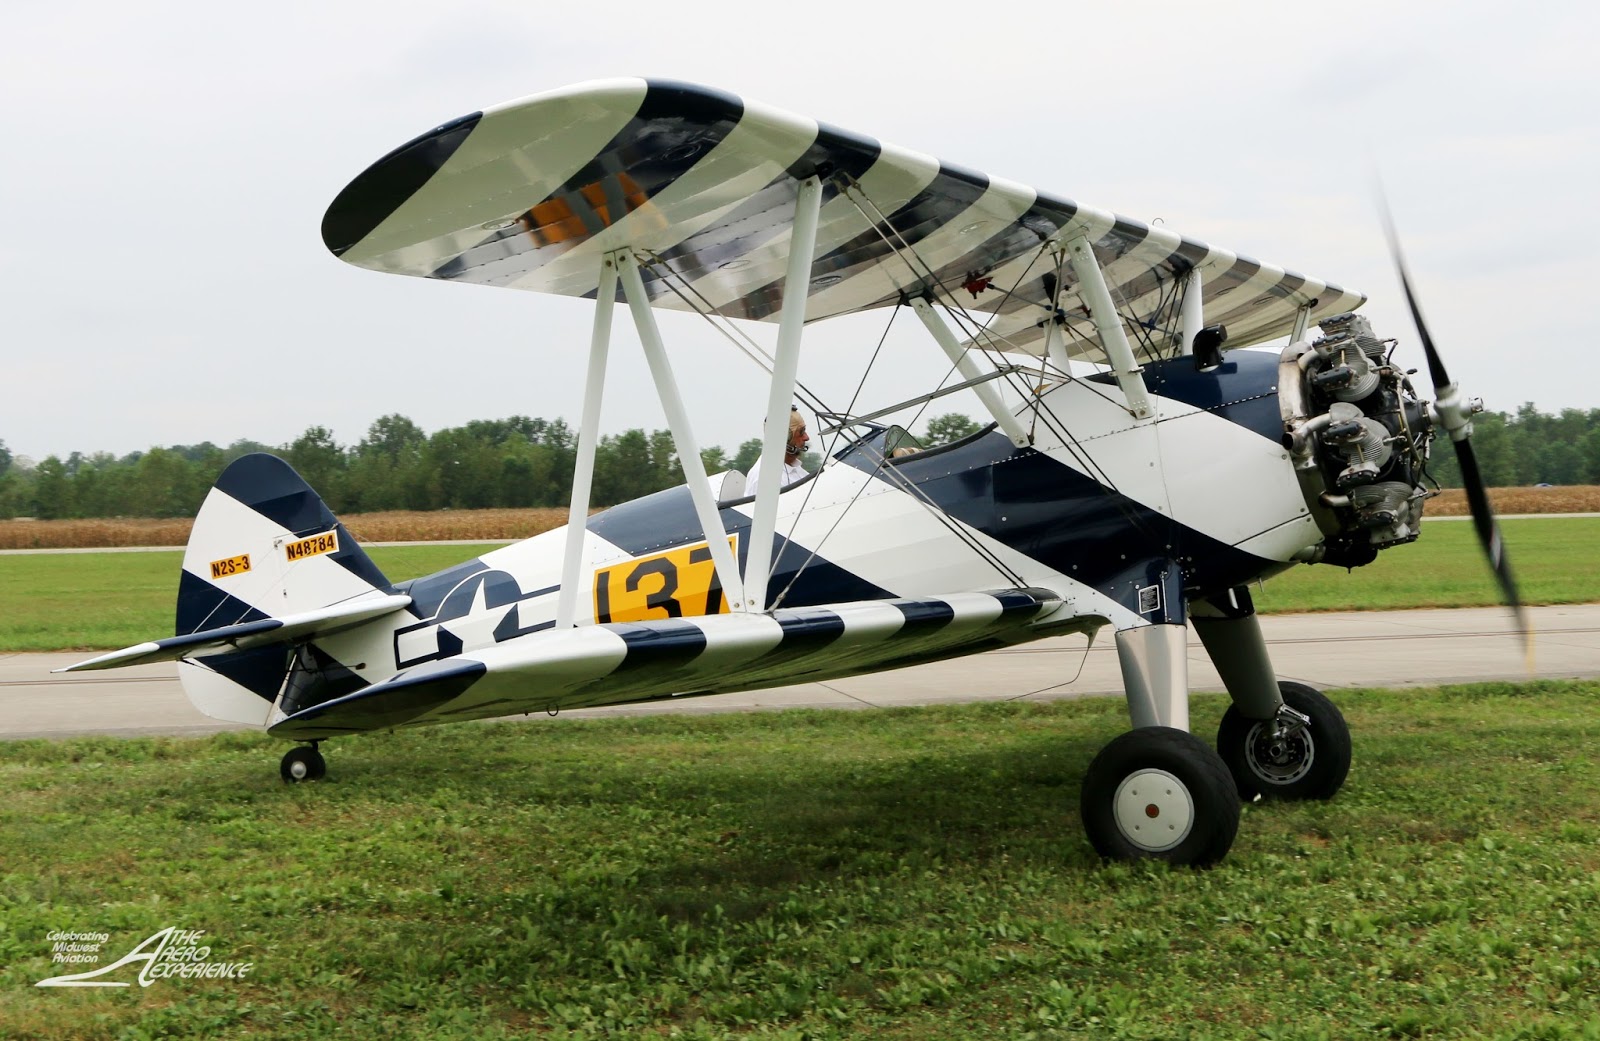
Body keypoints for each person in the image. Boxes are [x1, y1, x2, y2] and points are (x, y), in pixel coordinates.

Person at [745, 406, 810, 490]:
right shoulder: (764, 478)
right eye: (801, 432)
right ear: (785, 437)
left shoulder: (799, 471)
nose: (806, 437)